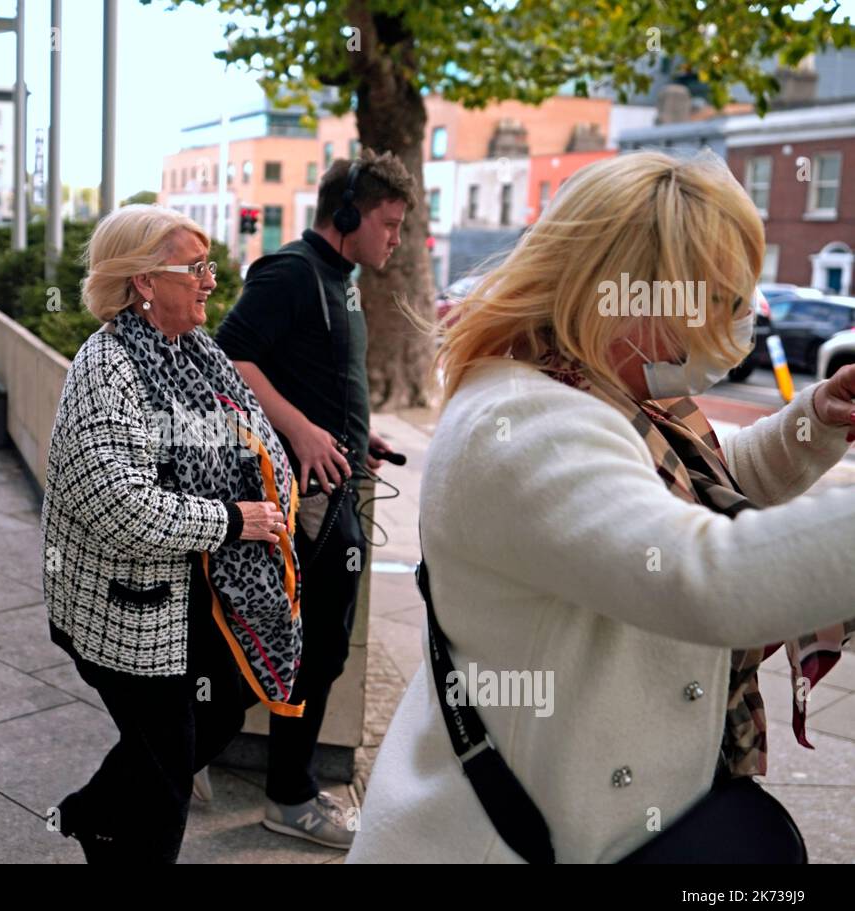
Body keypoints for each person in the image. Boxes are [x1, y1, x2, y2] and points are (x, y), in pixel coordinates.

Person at [349, 150, 855, 864]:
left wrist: (816, 422)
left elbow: (687, 493)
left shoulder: (591, 387)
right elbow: (702, 575)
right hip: (524, 840)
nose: (741, 318)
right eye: (723, 297)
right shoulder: (528, 424)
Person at [42, 204, 303, 862]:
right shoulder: (105, 372)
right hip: (128, 613)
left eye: (210, 265)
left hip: (193, 595)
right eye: (195, 268)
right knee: (164, 782)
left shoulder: (192, 351)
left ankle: (94, 812)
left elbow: (240, 441)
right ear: (144, 283)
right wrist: (233, 520)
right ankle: (108, 833)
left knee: (213, 716)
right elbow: (115, 504)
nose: (212, 281)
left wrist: (273, 482)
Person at [214, 148, 416, 848]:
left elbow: (315, 375)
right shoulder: (293, 272)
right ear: (348, 214)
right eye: (388, 223)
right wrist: (300, 432)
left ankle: (213, 762)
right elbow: (230, 358)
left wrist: (358, 442)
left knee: (318, 648)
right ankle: (287, 794)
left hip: (336, 491)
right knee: (309, 647)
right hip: (309, 506)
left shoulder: (341, 279)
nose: (396, 238)